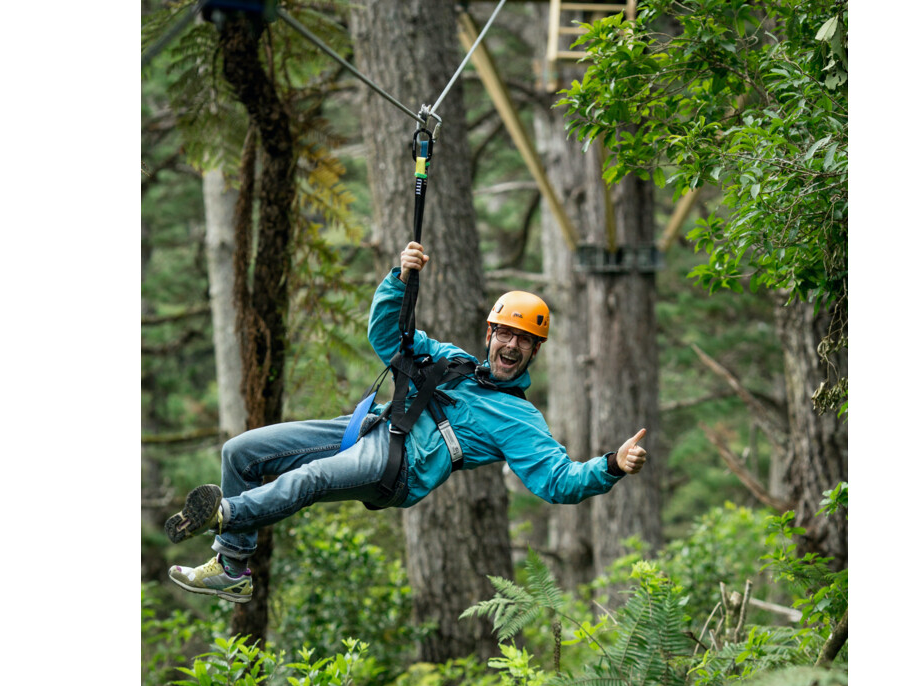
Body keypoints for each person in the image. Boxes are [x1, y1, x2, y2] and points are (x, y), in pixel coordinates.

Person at [165, 240, 650, 601]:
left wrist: (611, 465)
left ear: (535, 350)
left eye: (523, 340)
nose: (511, 345)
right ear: (489, 334)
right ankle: (232, 564)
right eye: (505, 333)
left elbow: (558, 481)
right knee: (241, 452)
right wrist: (400, 279)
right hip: (368, 428)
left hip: (397, 468)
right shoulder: (452, 360)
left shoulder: (519, 419)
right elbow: (387, 336)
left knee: (309, 478)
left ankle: (227, 514)